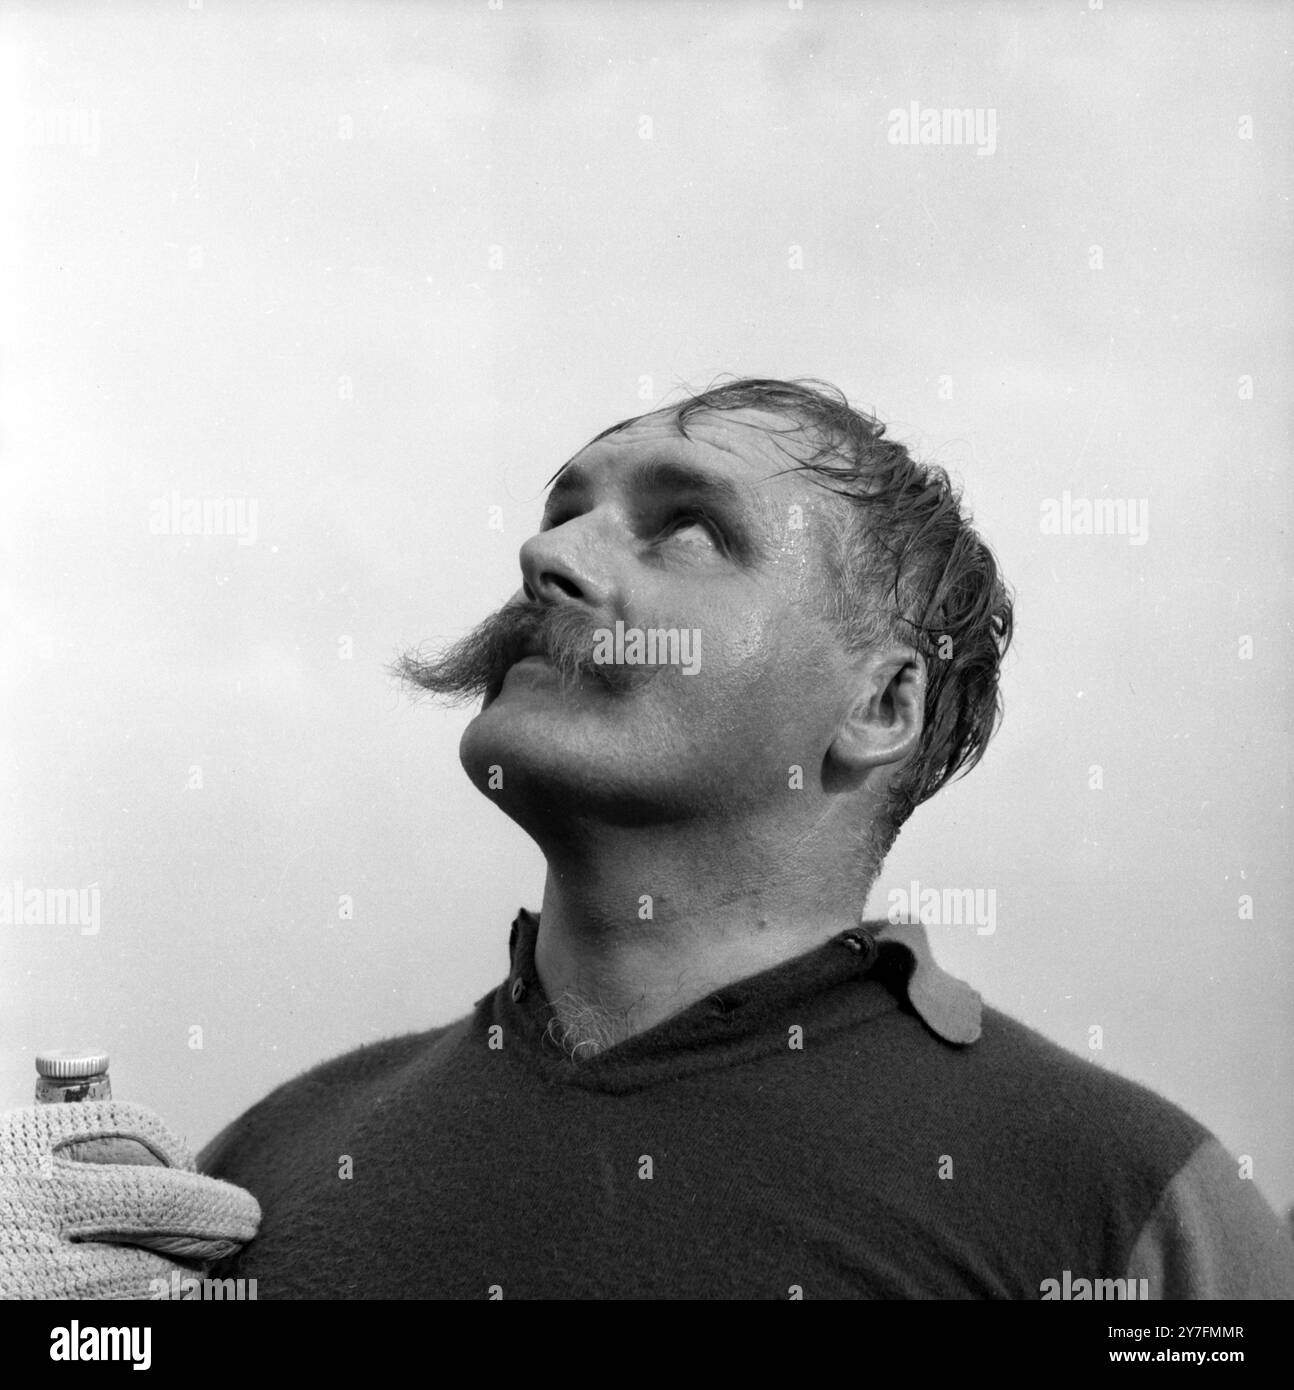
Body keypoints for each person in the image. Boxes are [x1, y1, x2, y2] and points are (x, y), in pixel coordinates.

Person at [4, 378, 1292, 1300]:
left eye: (686, 526)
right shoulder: (265, 1160)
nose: (546, 554)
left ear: (880, 705)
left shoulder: (1134, 1206)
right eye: (563, 511)